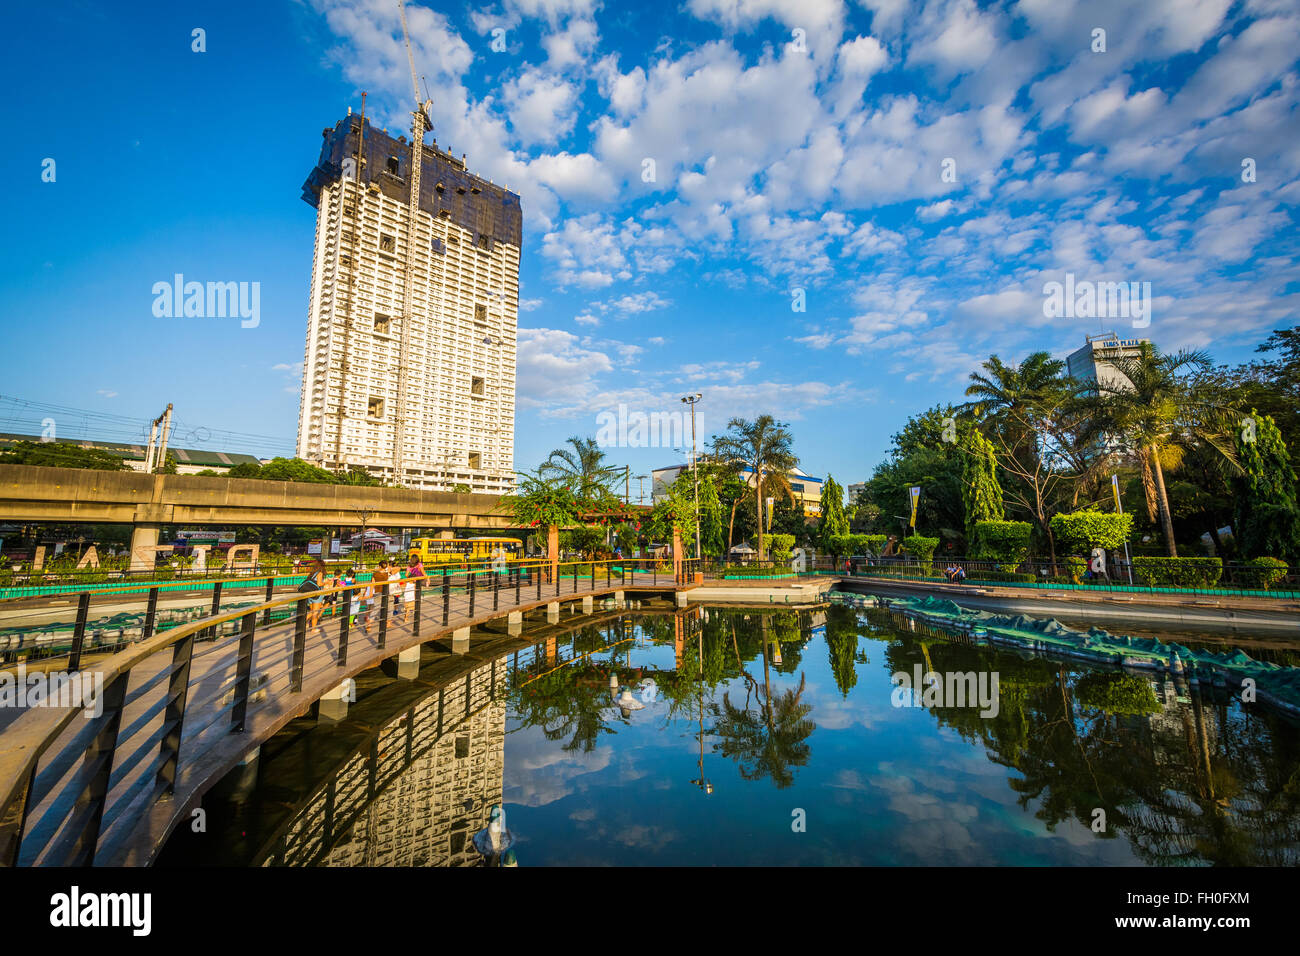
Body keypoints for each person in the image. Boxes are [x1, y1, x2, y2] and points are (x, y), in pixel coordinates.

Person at [300, 559, 327, 633]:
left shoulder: (312, 573)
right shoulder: (320, 573)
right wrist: (326, 582)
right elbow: (319, 584)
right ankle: (313, 628)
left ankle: (305, 624)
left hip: (311, 594)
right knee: (315, 612)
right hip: (317, 595)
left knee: (312, 611)